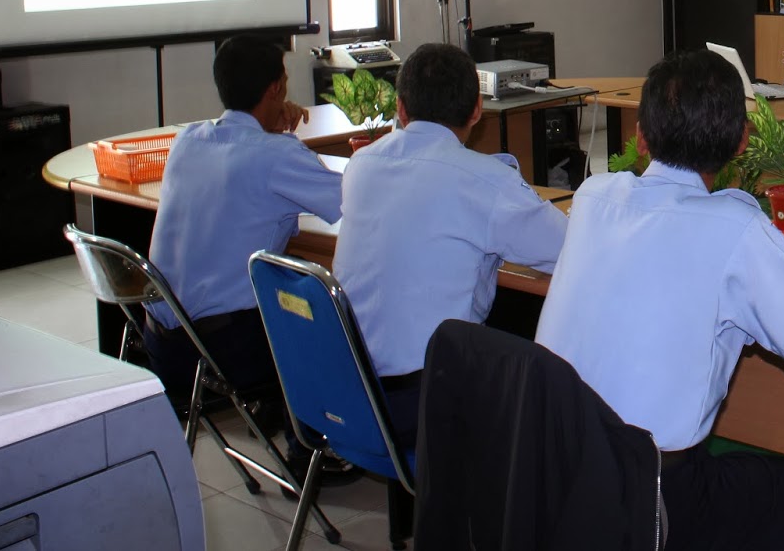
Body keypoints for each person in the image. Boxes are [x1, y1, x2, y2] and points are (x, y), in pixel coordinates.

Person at [535, 50, 784, 551]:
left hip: (558, 478)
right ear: (742, 141)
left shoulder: (591, 197)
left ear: (639, 137)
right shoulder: (737, 228)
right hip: (656, 502)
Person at [332, 42, 567, 445]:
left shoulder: (361, 164)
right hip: (427, 399)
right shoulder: (484, 180)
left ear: (400, 109)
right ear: (477, 110)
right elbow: (567, 250)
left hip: (349, 385)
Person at [145, 35, 343, 400]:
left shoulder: (187, 140)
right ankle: (311, 432)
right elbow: (351, 203)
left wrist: (267, 128)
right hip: (225, 350)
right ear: (276, 88)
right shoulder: (276, 155)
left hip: (163, 346)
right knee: (334, 311)